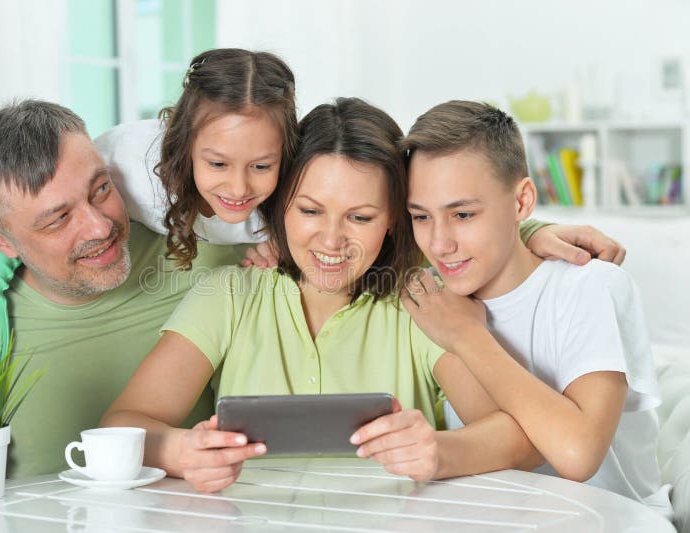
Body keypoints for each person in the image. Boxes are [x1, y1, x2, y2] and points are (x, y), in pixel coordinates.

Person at [101, 97, 547, 493]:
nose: (331, 241)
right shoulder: (228, 296)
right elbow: (121, 425)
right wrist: (182, 452)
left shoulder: (421, 303)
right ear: (281, 206)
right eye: (311, 211)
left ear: (394, 218)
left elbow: (521, 437)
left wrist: (439, 451)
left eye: (360, 217)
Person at [0, 100, 248, 504]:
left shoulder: (203, 254)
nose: (100, 227)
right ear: (0, 241)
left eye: (101, 189)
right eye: (58, 219)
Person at [0, 48, 298, 354]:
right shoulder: (130, 163)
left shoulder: (296, 189)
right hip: (11, 235)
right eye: (218, 164)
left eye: (262, 166)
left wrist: (281, 241)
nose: (238, 188)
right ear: (184, 145)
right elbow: (4, 192)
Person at [400, 100, 671, 518]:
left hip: (615, 521)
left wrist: (467, 336)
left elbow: (578, 454)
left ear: (522, 201)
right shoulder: (435, 300)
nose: (439, 243)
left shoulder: (590, 286)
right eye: (421, 217)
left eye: (463, 214)